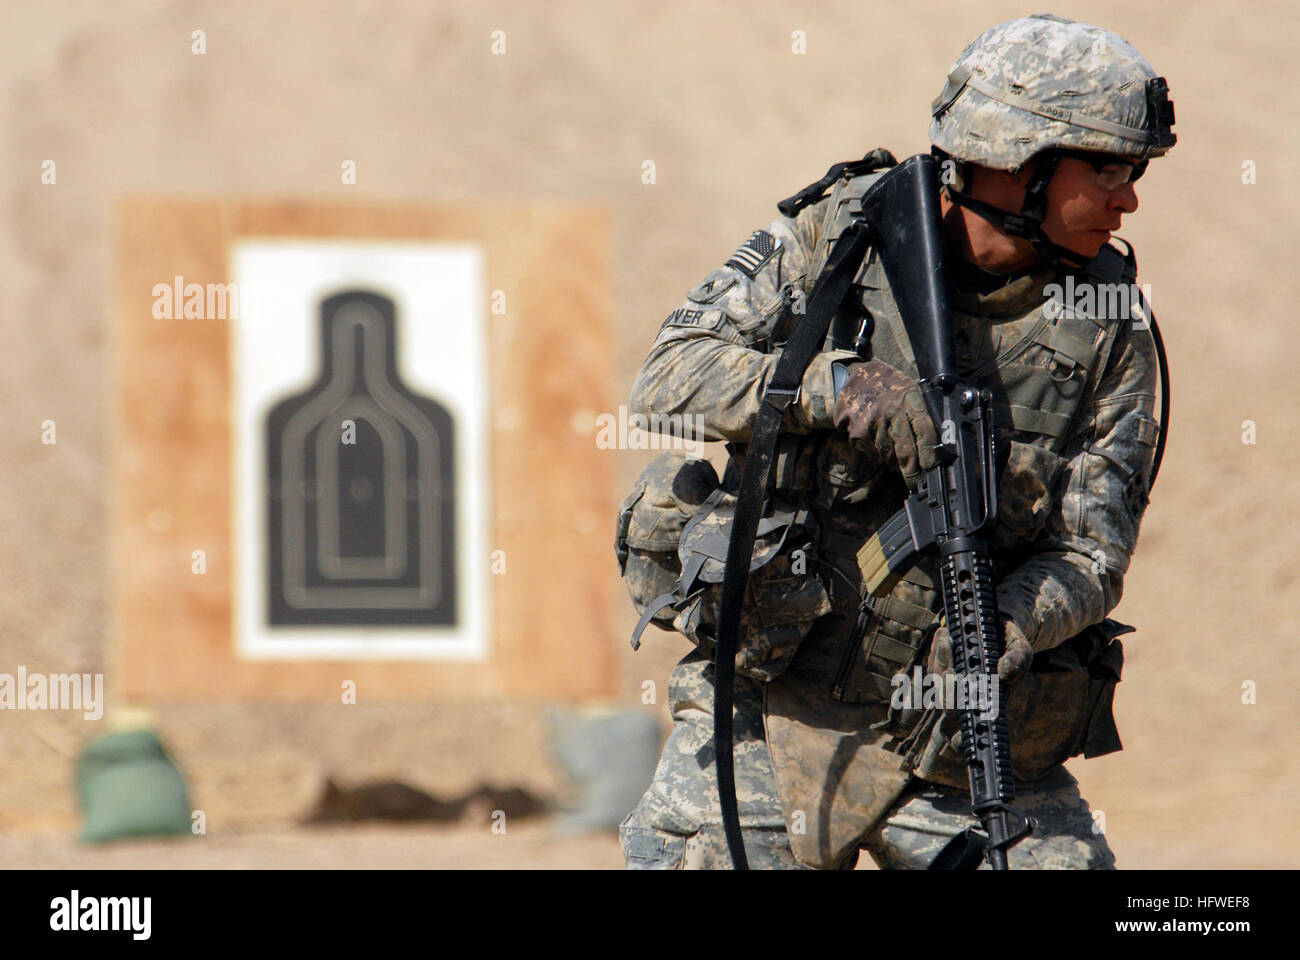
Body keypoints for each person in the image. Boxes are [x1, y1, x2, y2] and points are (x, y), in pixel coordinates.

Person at [615, 14, 1175, 870]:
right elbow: (668, 375)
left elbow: (1091, 554)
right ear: (1016, 155)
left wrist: (1003, 629)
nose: (1127, 198)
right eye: (1104, 169)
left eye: (1131, 173)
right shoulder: (838, 236)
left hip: (960, 735)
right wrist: (832, 387)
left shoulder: (1109, 329)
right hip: (774, 702)